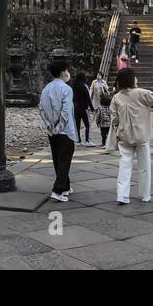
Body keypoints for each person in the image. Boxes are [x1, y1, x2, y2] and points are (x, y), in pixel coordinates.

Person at [110, 68, 153, 203]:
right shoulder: (141, 93)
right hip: (142, 135)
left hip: (124, 136)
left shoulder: (116, 97)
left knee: (124, 166)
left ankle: (122, 195)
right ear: (132, 79)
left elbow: (114, 119)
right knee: (144, 167)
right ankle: (145, 194)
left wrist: (118, 131)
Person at [39, 60, 79, 202]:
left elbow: (41, 109)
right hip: (65, 131)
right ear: (63, 72)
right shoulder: (66, 89)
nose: (68, 73)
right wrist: (59, 127)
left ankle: (66, 186)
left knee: (58, 159)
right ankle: (58, 190)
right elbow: (66, 111)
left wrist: (50, 126)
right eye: (67, 70)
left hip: (52, 132)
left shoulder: (46, 88)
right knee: (65, 161)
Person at [71, 71, 93, 145]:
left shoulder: (72, 86)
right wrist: (92, 109)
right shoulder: (84, 86)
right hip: (84, 108)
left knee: (77, 125)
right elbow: (88, 98)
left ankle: (78, 141)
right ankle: (87, 141)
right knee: (88, 125)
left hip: (75, 108)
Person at [89, 74, 111, 143]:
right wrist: (90, 95)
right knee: (97, 111)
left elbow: (107, 89)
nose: (98, 76)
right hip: (96, 98)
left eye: (100, 75)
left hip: (103, 98)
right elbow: (91, 89)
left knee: (101, 111)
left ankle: (105, 142)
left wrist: (104, 87)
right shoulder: (94, 82)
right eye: (97, 75)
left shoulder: (103, 82)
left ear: (102, 76)